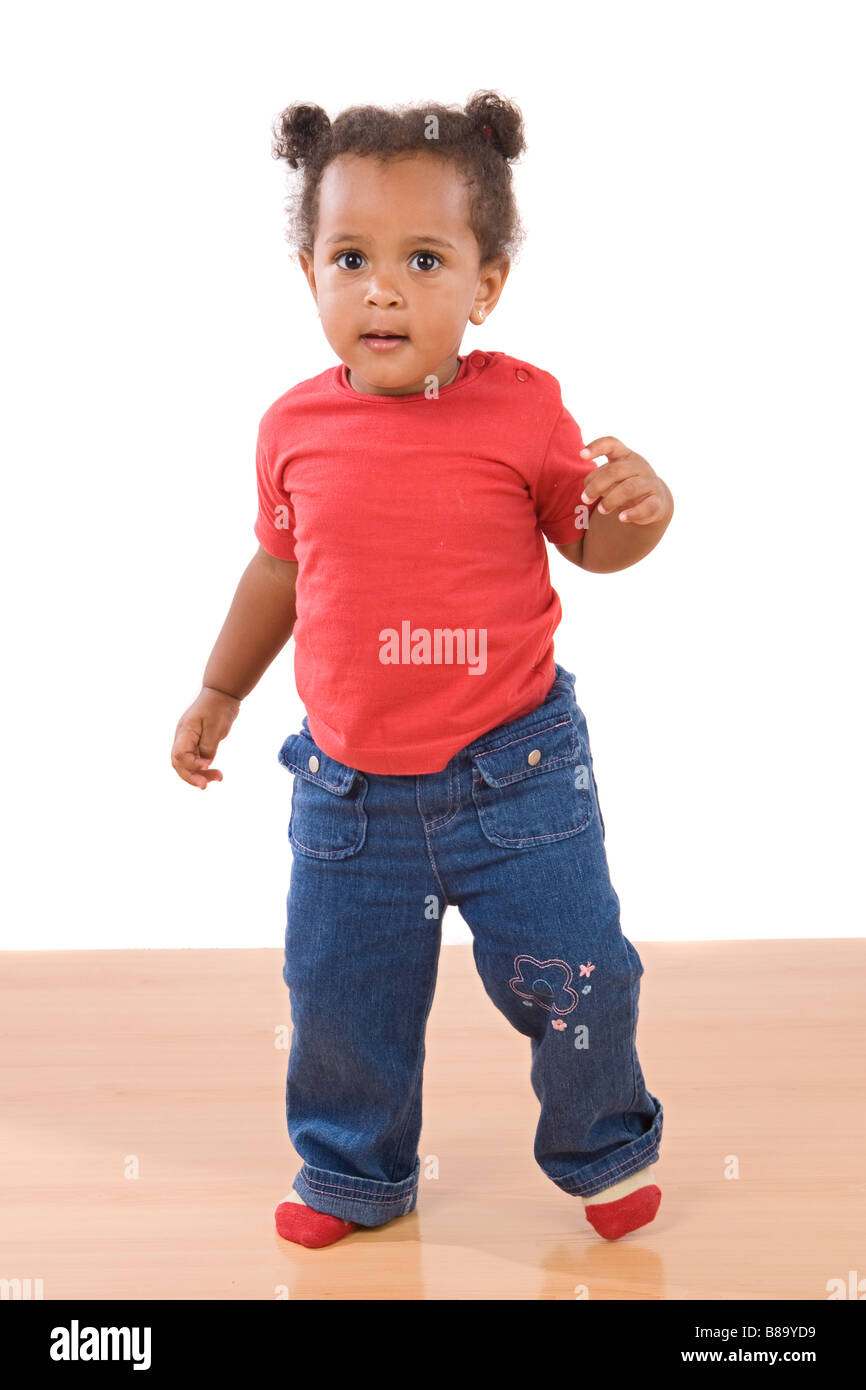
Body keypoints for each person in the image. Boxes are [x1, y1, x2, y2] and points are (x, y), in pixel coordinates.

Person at [171, 90, 674, 1248]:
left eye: (423, 259)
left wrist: (642, 513)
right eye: (350, 258)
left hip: (519, 781)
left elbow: (589, 541)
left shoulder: (523, 409)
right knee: (341, 1002)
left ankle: (602, 1144)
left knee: (581, 972)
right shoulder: (291, 427)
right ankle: (353, 1173)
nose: (382, 287)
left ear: (484, 284)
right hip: (348, 801)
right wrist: (219, 689)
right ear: (309, 275)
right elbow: (275, 574)